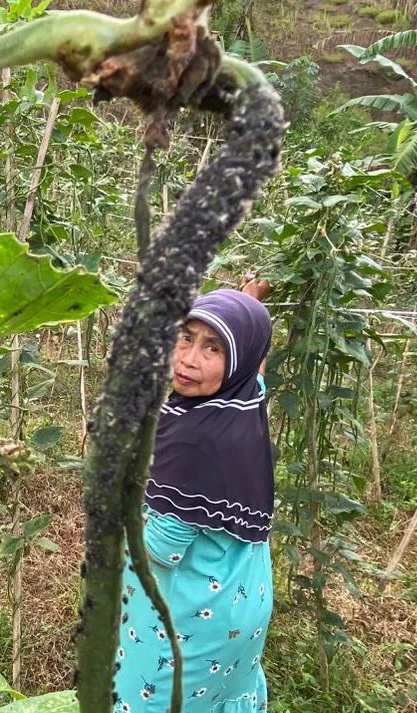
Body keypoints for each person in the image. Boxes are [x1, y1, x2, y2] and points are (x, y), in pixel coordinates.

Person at [112, 287, 275, 713]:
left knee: (157, 696)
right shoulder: (245, 397)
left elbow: (160, 550)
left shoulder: (192, 438)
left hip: (192, 613)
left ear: (234, 358)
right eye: (185, 338)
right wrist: (249, 303)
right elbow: (256, 366)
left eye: (213, 348)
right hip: (242, 597)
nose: (187, 359)